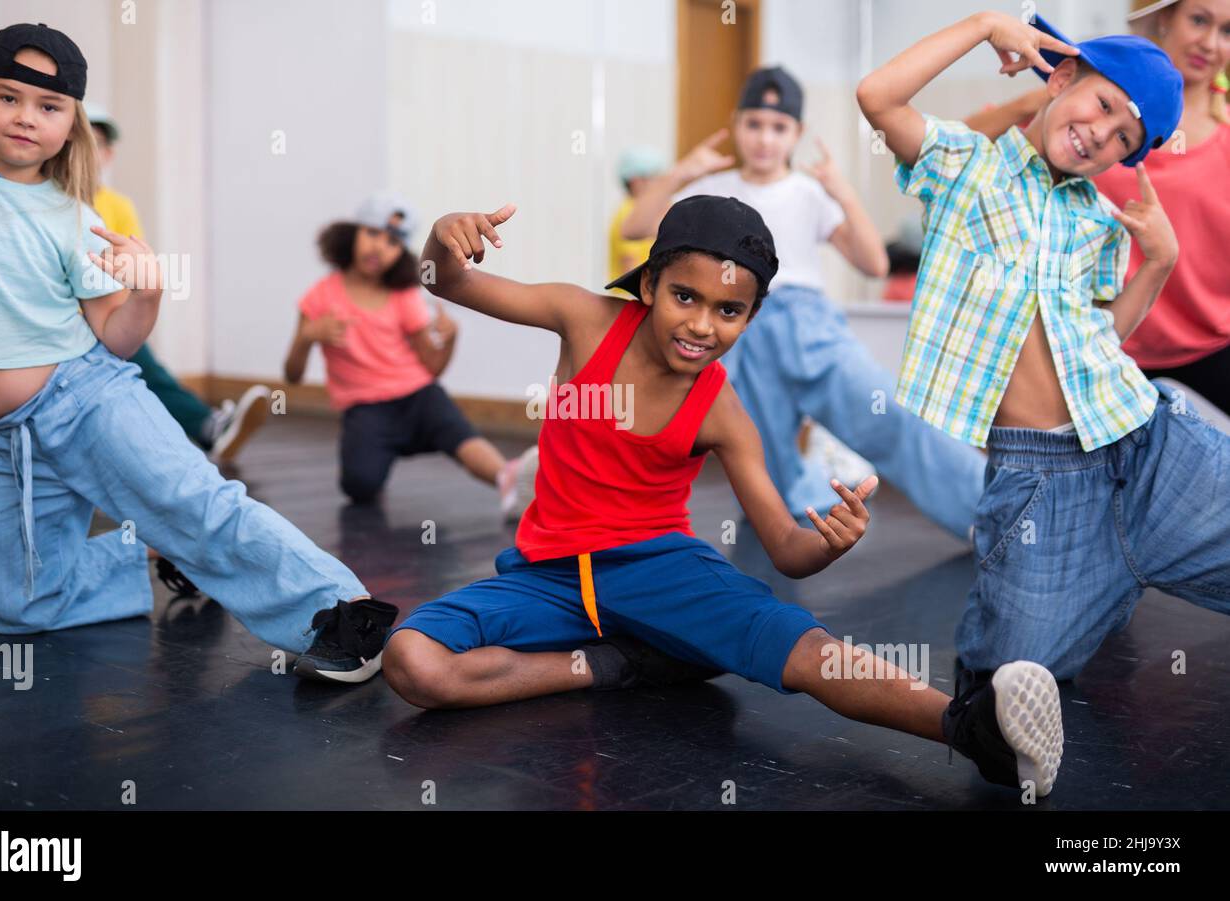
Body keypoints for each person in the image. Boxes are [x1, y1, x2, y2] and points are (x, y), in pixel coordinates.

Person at [372, 195, 1066, 798]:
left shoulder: (722, 412)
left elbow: (786, 552)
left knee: (804, 649)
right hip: (547, 574)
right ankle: (619, 661)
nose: (703, 324)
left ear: (751, 315)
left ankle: (970, 728)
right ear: (649, 284)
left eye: (729, 310)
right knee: (413, 658)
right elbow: (444, 280)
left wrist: (827, 541)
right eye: (686, 297)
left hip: (660, 568)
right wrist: (443, 233)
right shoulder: (581, 318)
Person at [0, 23, 395, 685]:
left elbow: (116, 336)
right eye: (8, 97)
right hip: (6, 436)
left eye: (49, 106)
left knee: (196, 503)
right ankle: (140, 555)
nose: (26, 117)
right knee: (14, 607)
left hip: (87, 398)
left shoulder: (73, 217)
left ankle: (340, 612)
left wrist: (145, 295)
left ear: (72, 127)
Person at [858, 10, 1230, 682]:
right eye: (1103, 103)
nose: (1103, 133)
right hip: (1040, 477)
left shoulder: (1098, 220)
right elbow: (877, 96)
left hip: (1144, 439)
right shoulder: (963, 166)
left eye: (1126, 137)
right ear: (1060, 77)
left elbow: (1106, 335)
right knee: (999, 679)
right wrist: (983, 26)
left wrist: (1159, 263)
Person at [622, 66, 985, 542]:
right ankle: (786, 508)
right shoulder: (712, 192)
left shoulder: (809, 192)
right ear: (736, 124)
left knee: (889, 417)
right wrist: (682, 171)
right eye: (753, 124)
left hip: (807, 325)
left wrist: (841, 191)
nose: (765, 139)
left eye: (778, 128)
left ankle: (989, 509)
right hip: (741, 330)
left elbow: (874, 263)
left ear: (797, 133)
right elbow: (635, 226)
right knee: (759, 457)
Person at [964, 0, 1230, 418]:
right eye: (1198, 20)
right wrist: (1031, 102)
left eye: (1228, 32)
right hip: (1095, 351)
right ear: (1164, 17)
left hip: (1212, 358)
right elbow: (952, 156)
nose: (1210, 44)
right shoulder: (1085, 116)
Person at [282, 193, 538, 515]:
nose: (378, 247)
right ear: (352, 234)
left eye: (391, 242)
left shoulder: (403, 296)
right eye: (372, 233)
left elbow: (432, 368)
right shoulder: (320, 297)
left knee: (459, 433)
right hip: (365, 409)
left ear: (400, 252)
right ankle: (374, 451)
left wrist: (451, 340)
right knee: (358, 487)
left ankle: (511, 481)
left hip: (418, 396)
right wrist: (307, 337)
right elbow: (292, 375)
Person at [85, 104, 271, 463]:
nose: (88, 152)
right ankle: (207, 425)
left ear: (107, 155)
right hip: (74, 313)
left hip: (106, 309)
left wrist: (126, 313)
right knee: (139, 370)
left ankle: (205, 427)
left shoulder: (117, 204)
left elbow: (132, 265)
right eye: (81, 141)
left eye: (96, 144)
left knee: (139, 365)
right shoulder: (57, 199)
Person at [608, 145, 666, 282]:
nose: (659, 185)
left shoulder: (636, 209)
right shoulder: (631, 214)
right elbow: (630, 268)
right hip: (631, 298)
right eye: (654, 178)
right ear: (636, 181)